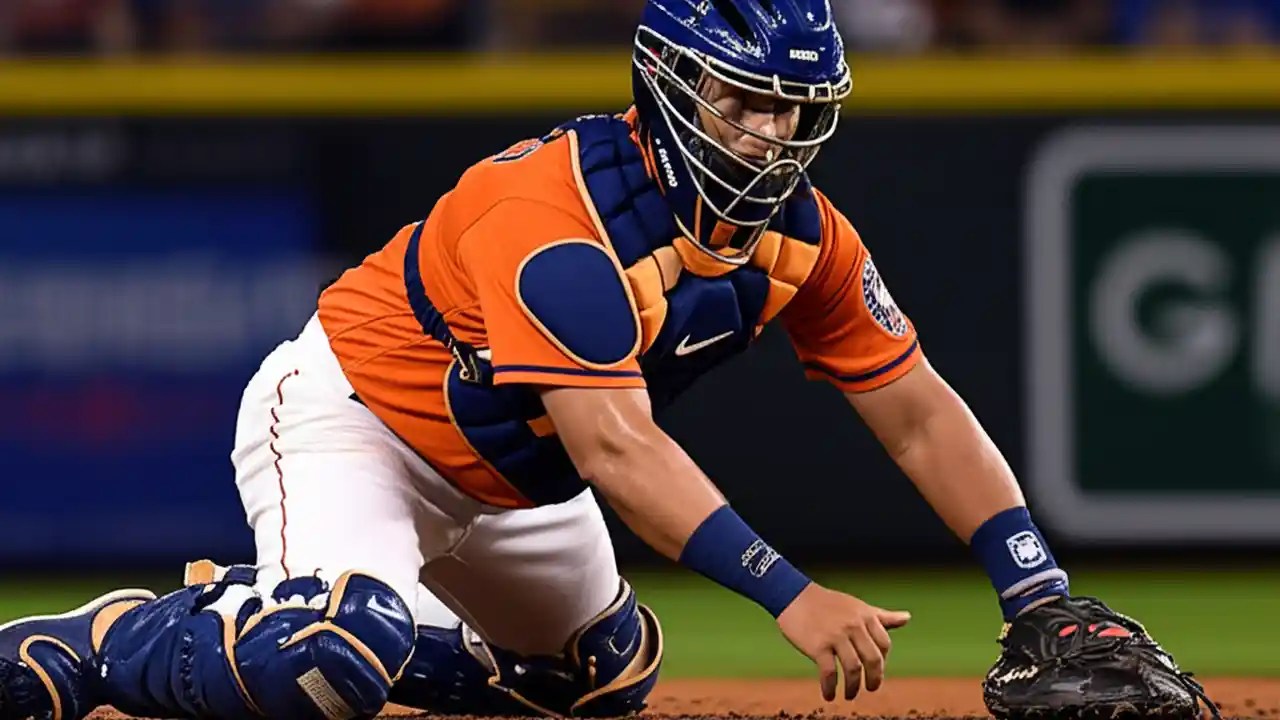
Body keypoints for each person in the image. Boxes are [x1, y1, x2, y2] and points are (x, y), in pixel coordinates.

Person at [0, 1, 1219, 719]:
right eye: (743, 102)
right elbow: (615, 448)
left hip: (508, 487)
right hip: (356, 422)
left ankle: (341, 610)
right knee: (332, 661)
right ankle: (115, 640)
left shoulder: (802, 235)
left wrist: (1034, 591)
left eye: (795, 110)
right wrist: (792, 596)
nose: (773, 133)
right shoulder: (564, 222)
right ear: (669, 85)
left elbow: (915, 413)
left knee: (599, 677)